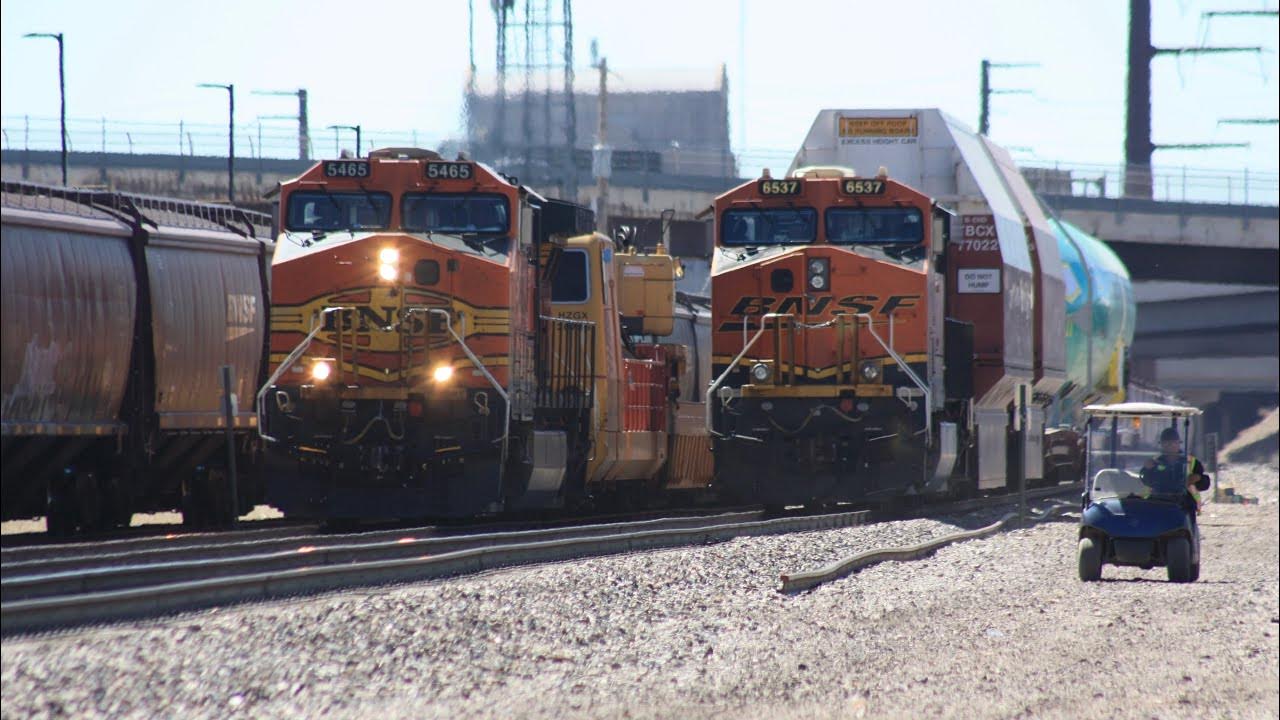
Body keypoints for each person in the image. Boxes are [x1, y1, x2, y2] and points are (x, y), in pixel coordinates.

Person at [1141, 427, 1211, 513]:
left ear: (1179, 443)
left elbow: (1204, 484)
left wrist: (1198, 478)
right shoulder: (1154, 461)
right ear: (1161, 444)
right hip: (1158, 501)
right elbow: (1145, 480)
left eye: (1173, 443)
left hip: (1185, 504)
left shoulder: (1191, 461)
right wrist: (1147, 469)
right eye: (1166, 443)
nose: (1170, 446)